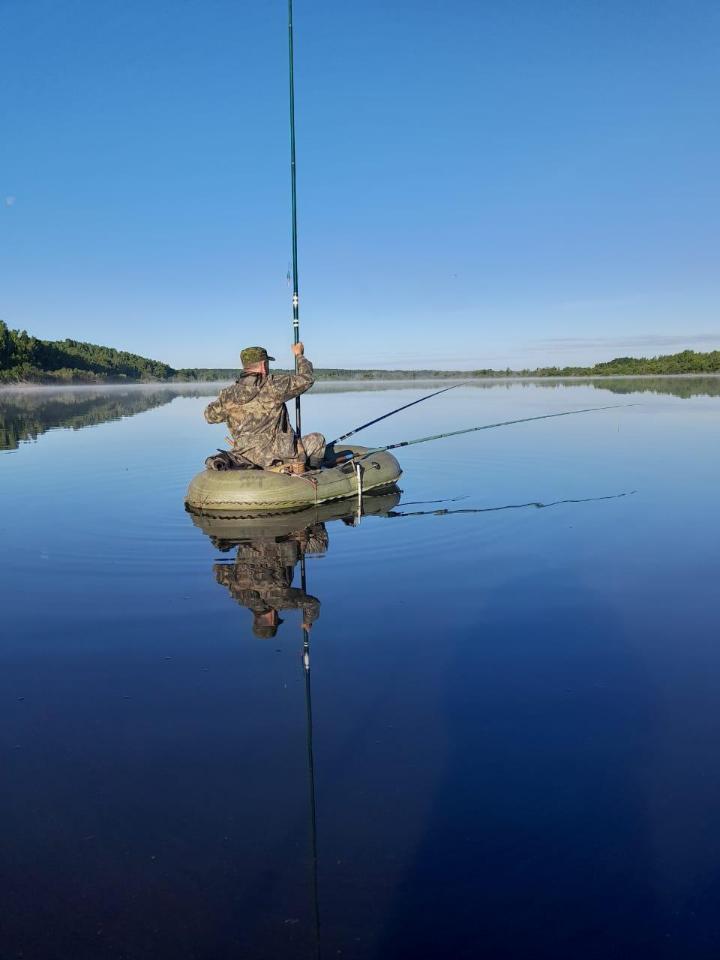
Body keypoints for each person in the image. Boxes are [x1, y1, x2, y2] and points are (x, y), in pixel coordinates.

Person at [204, 342, 326, 473]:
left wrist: (228, 403)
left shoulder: (228, 394)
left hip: (244, 457)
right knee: (318, 439)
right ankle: (311, 473)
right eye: (267, 363)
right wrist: (299, 355)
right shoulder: (273, 386)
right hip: (277, 456)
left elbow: (209, 416)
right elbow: (307, 379)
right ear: (263, 365)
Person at [213, 524, 327, 637]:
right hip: (248, 538)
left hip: (283, 537)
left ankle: (312, 519)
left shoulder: (280, 601)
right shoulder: (239, 596)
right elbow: (219, 572)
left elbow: (313, 605)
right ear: (255, 620)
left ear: (273, 620)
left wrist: (307, 621)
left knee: (320, 546)